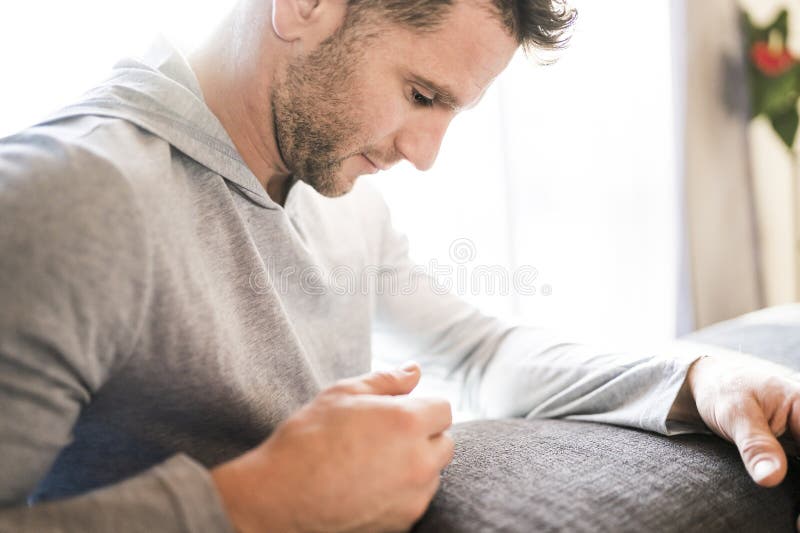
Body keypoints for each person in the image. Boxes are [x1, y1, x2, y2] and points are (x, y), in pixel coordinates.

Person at [0, 0, 799, 531]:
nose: (424, 154)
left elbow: (478, 352)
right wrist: (253, 503)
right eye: (421, 94)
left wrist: (693, 378)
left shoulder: (337, 195)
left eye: (451, 110)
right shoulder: (66, 197)